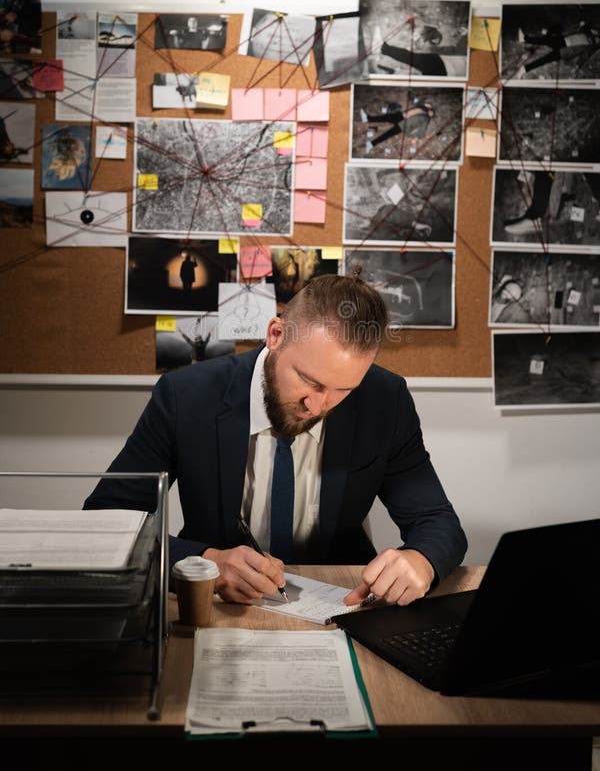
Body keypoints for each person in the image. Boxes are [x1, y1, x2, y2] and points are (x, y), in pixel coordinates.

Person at [83, 274, 467, 608]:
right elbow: (106, 521)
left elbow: (437, 521)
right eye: (309, 380)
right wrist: (204, 562)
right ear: (276, 335)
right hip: (217, 606)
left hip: (338, 601)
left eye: (343, 390)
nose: (318, 406)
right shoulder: (186, 396)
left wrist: (422, 560)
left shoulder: (385, 399)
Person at [504, 170, 600, 236]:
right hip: (566, 186)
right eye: (517, 211)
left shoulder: (535, 197)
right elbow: (576, 212)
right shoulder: (552, 214)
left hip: (557, 178)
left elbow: (532, 178)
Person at [516, 19, 600, 76]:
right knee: (545, 41)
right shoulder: (592, 33)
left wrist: (577, 66)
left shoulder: (591, 47)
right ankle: (525, 39)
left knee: (544, 59)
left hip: (565, 51)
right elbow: (584, 28)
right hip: (564, 41)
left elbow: (584, 56)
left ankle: (524, 69)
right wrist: (585, 25)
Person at [360, 99, 435, 153]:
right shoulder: (422, 108)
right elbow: (417, 103)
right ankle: (367, 118)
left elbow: (423, 129)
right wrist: (425, 104)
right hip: (401, 116)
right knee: (384, 118)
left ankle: (371, 144)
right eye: (431, 110)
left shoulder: (426, 119)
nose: (431, 112)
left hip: (404, 125)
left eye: (432, 114)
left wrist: (416, 138)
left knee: (387, 134)